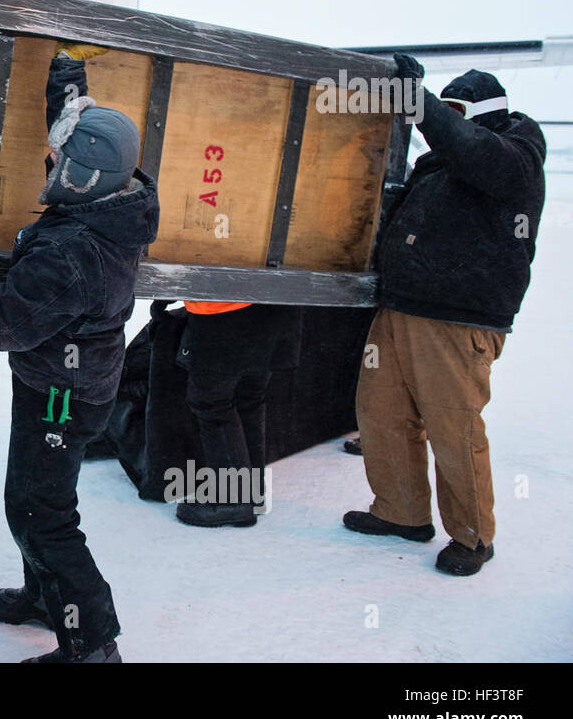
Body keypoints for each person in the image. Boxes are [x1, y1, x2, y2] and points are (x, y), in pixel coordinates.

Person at [0, 44, 159, 662]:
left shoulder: (72, 254)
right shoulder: (115, 199)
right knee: (34, 496)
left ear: (81, 174)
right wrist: (68, 74)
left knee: (40, 509)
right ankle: (44, 596)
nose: (50, 156)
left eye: (59, 156)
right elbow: (79, 133)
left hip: (62, 392)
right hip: (63, 380)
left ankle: (91, 642)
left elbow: (4, 324)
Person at [344, 55, 546, 576]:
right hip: (402, 308)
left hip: (460, 321)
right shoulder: (440, 163)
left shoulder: (517, 152)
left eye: (458, 109)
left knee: (453, 429)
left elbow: (473, 150)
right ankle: (401, 512)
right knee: (382, 414)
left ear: (485, 111)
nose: (448, 119)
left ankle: (474, 537)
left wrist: (423, 103)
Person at [172, 301, 301, 527]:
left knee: (211, 401)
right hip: (279, 302)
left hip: (224, 309)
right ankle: (252, 493)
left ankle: (233, 499)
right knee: (248, 398)